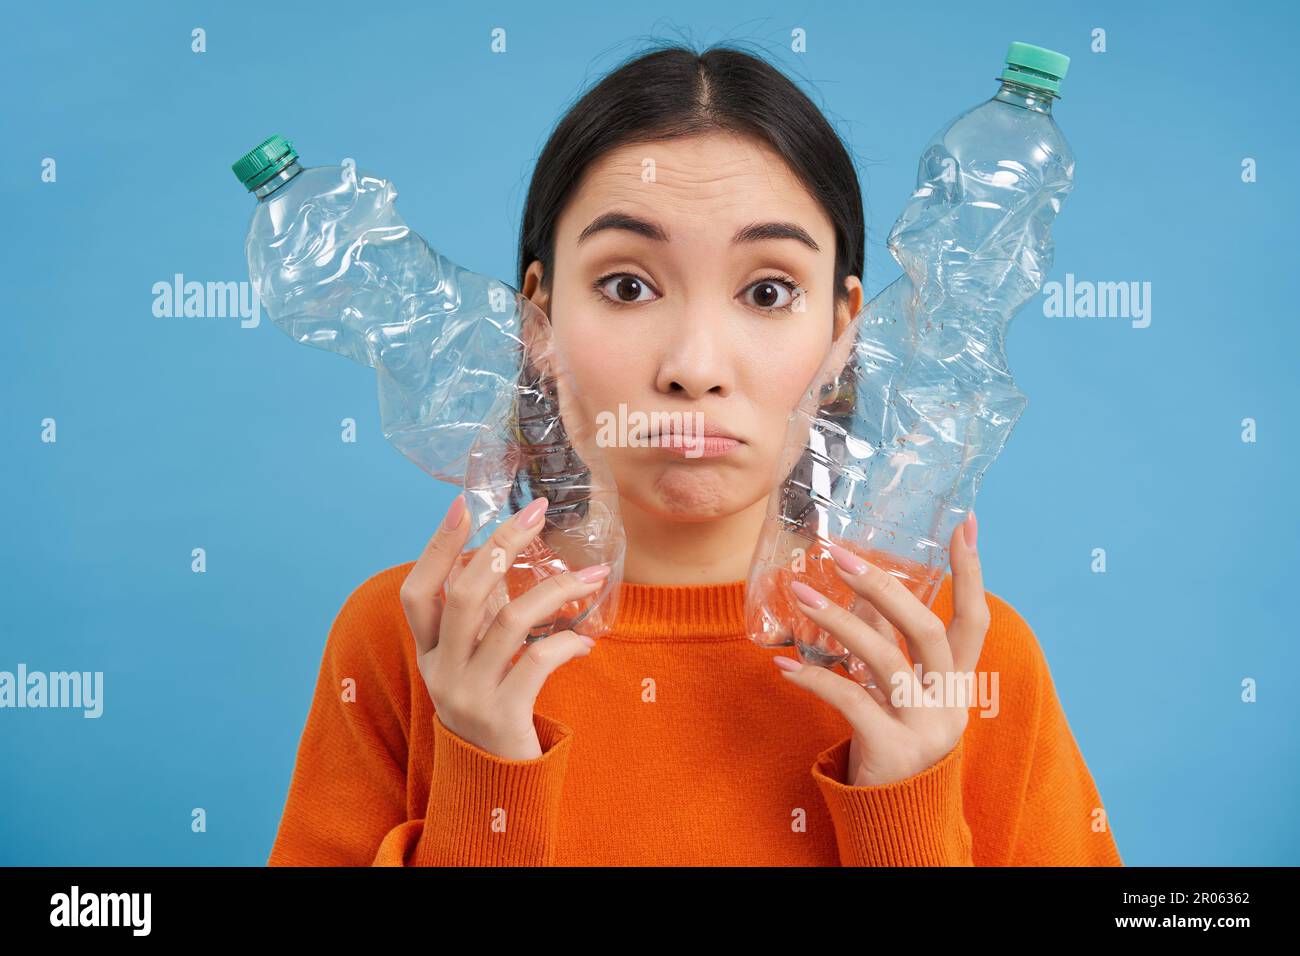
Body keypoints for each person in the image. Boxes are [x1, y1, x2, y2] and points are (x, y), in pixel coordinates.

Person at [267, 43, 1123, 867]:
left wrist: (908, 809)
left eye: (768, 291)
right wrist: (484, 777)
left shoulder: (949, 656)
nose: (695, 368)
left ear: (843, 327)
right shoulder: (414, 641)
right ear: (536, 319)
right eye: (627, 286)